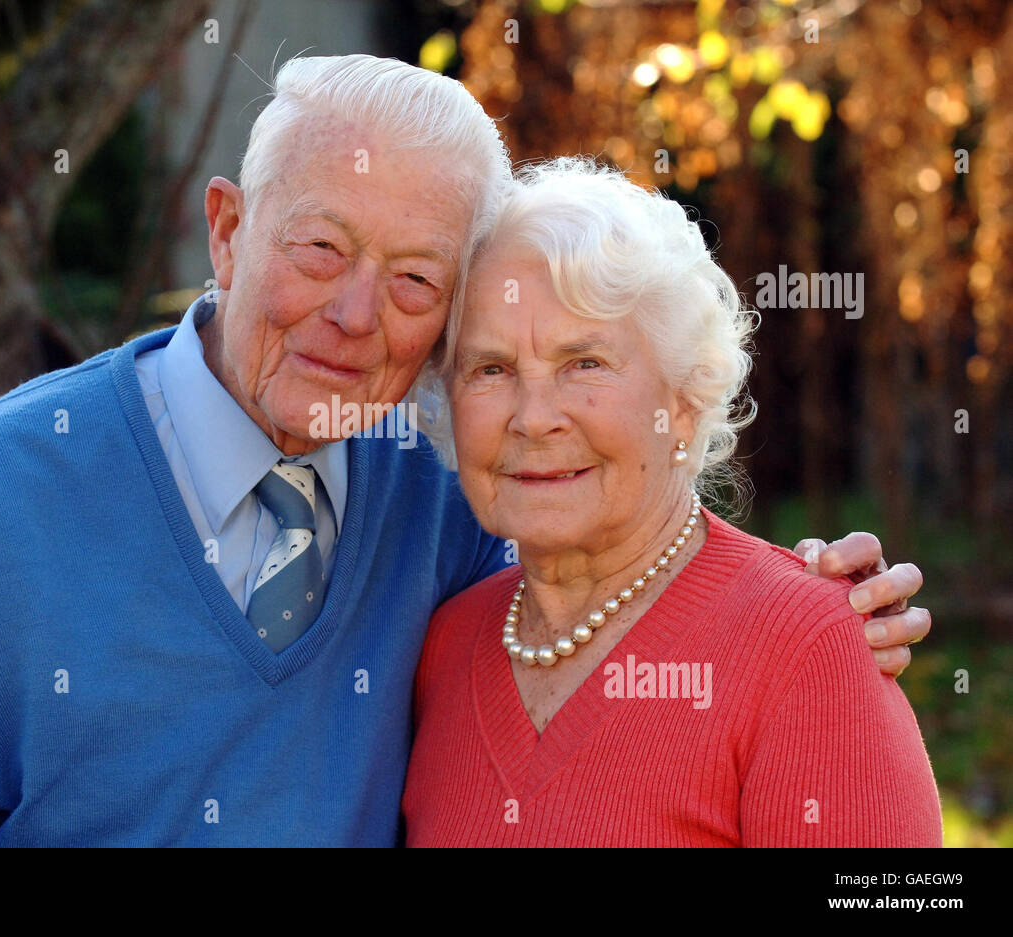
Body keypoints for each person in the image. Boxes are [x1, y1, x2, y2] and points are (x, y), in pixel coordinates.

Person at [0, 56, 929, 847]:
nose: (353, 315)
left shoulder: (443, 506)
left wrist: (806, 610)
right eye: (318, 247)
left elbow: (628, 584)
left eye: (412, 281)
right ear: (229, 230)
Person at [401, 157, 943, 846]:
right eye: (491, 369)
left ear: (683, 403)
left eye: (584, 363)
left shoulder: (808, 646)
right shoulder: (443, 646)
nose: (534, 418)